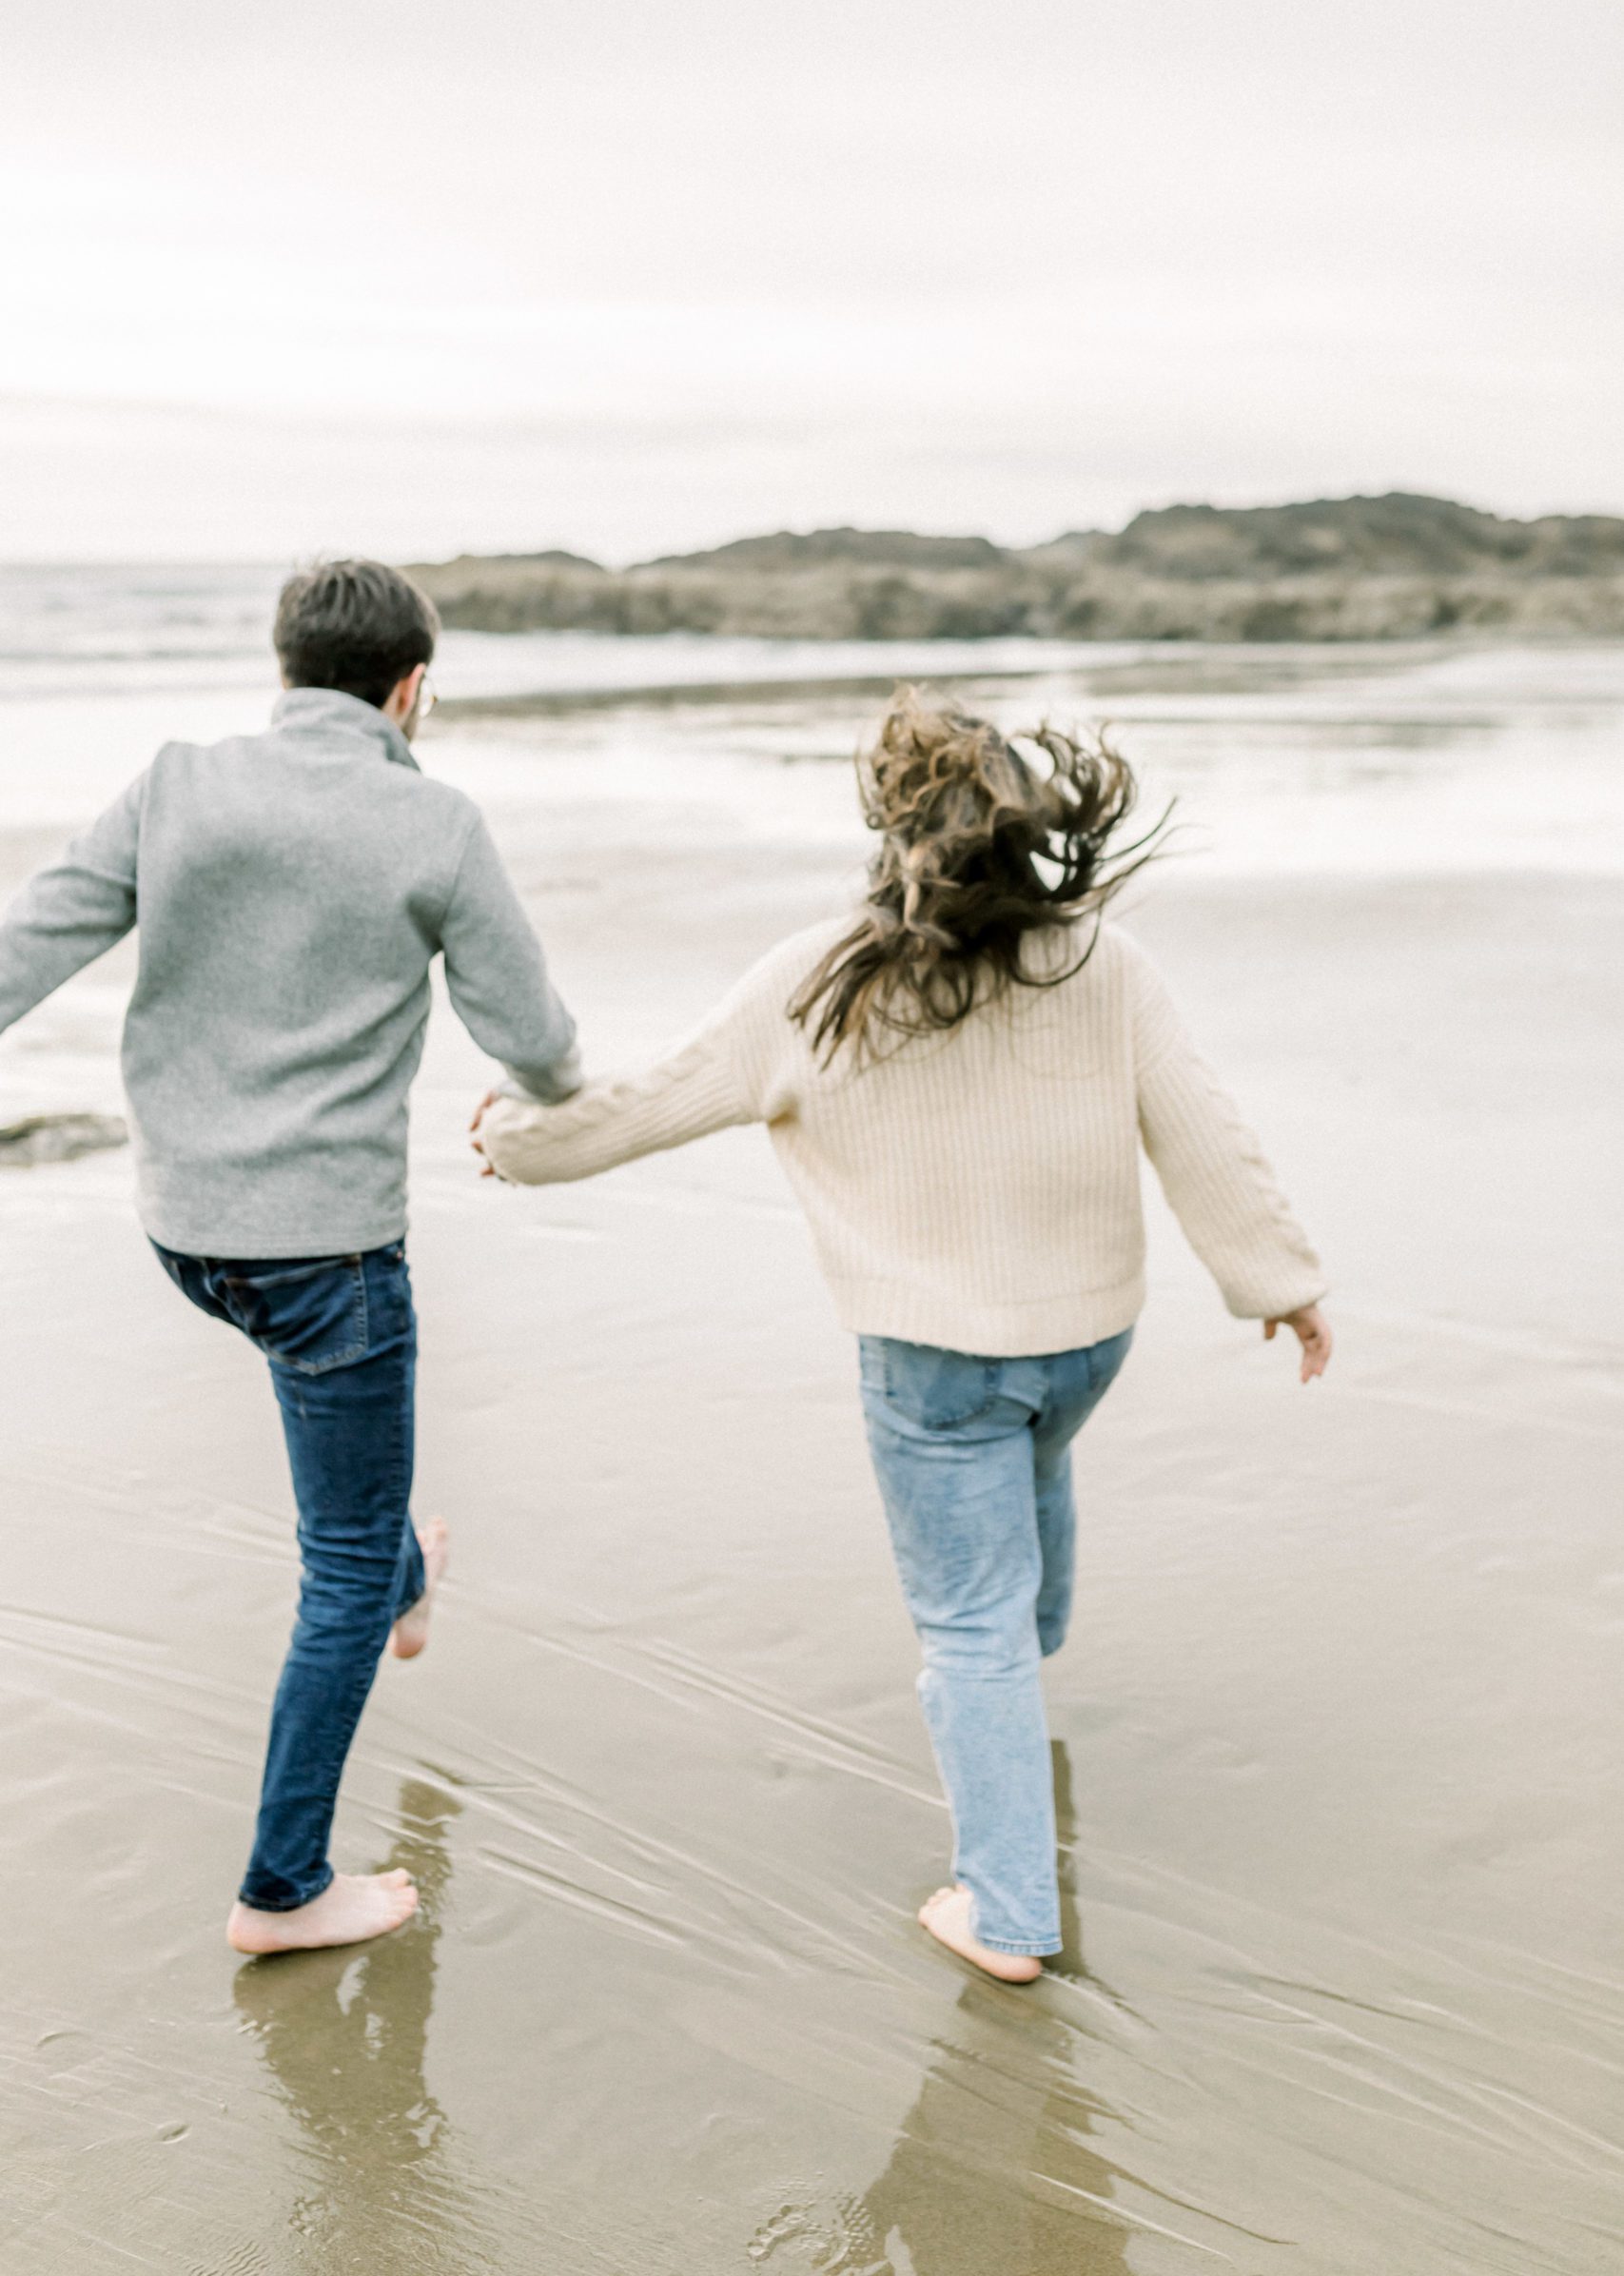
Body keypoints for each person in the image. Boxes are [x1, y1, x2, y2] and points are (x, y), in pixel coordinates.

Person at [473, 688, 1330, 1984]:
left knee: (969, 1623)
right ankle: (1030, 1658)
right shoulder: (1099, 960)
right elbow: (1198, 1121)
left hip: (933, 1359)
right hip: (1085, 1341)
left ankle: (1006, 1915)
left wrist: (513, 1141)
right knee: (1033, 1464)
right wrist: (1279, 1277)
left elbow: (645, 1103)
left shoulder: (818, 980)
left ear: (890, 826)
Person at [0, 559, 581, 1955]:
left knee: (356, 1497)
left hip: (187, 1235)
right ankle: (284, 1888)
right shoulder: (434, 823)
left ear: (283, 667)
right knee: (341, 1563)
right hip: (328, 1256)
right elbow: (539, 1045)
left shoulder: (175, 783)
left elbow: (26, 946)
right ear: (410, 688)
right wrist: (558, 1100)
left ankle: (410, 1576)